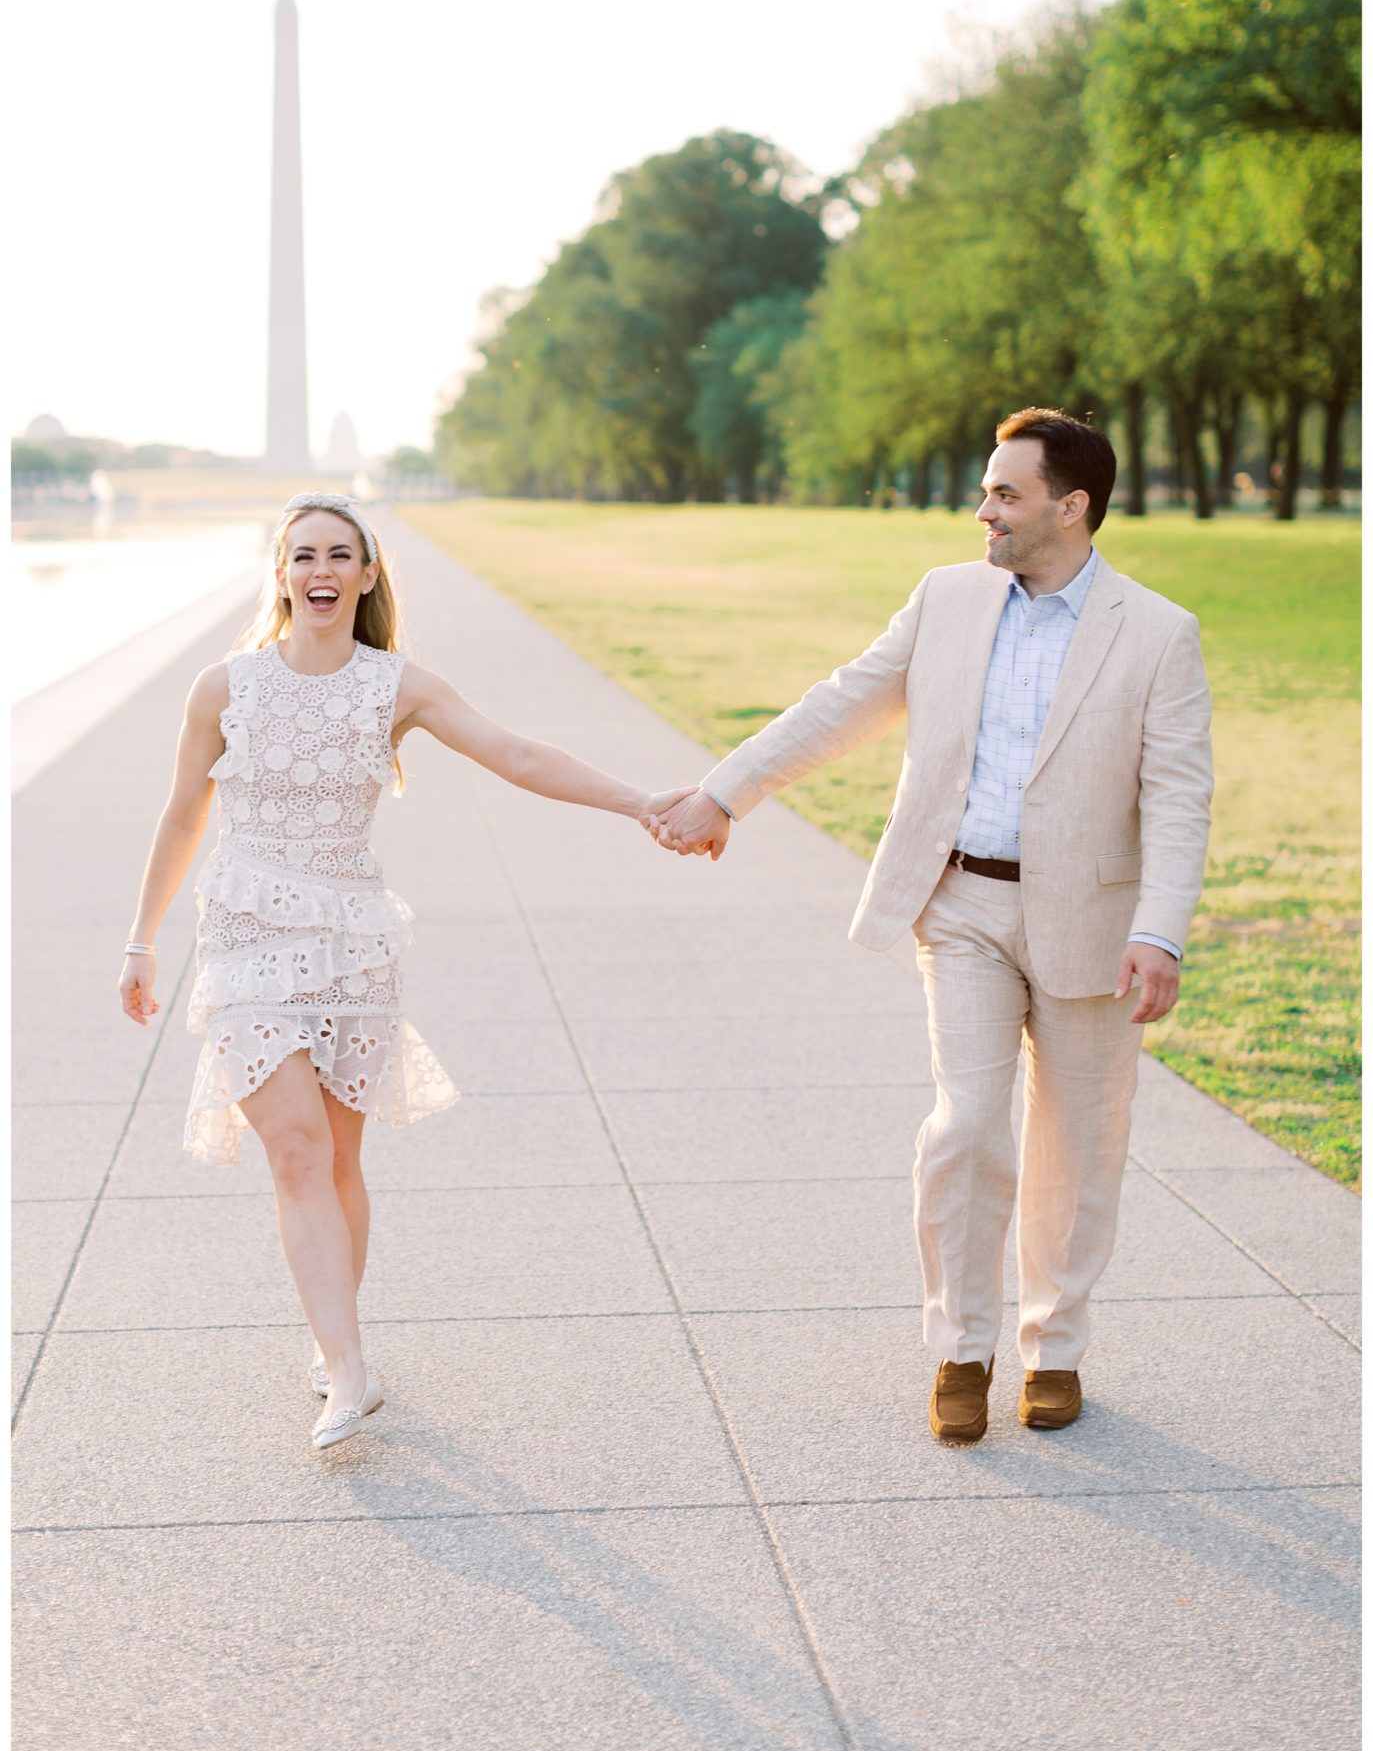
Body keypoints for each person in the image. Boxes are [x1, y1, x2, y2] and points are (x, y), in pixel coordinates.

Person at [645, 409, 1212, 1442]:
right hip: (960, 906)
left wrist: (1159, 930)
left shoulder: (1156, 630)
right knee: (965, 1123)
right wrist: (725, 791)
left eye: (1003, 492)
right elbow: (842, 701)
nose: (981, 508)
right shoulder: (946, 598)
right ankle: (960, 1344)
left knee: (1078, 1147)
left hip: (1089, 918)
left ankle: (1054, 1348)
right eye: (985, 489)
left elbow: (1177, 794)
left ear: (1069, 505)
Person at [119, 492, 687, 1452]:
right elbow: (183, 815)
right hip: (246, 940)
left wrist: (641, 802)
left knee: (341, 1159)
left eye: (341, 555)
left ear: (369, 574)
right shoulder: (224, 688)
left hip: (352, 944)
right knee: (294, 1148)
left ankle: (332, 1335)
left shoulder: (397, 688)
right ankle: (349, 1372)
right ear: (281, 574)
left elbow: (515, 755)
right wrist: (142, 938)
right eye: (304, 556)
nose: (322, 571)